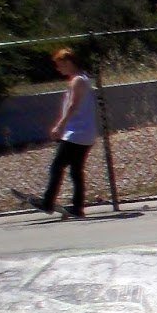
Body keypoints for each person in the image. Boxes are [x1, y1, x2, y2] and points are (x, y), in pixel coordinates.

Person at [32, 47, 98, 218]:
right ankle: (77, 207)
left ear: (69, 62)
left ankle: (47, 203)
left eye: (60, 65)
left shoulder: (78, 81)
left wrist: (60, 125)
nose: (58, 68)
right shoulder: (82, 79)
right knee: (75, 170)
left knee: (57, 166)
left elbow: (73, 105)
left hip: (76, 133)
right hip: (85, 133)